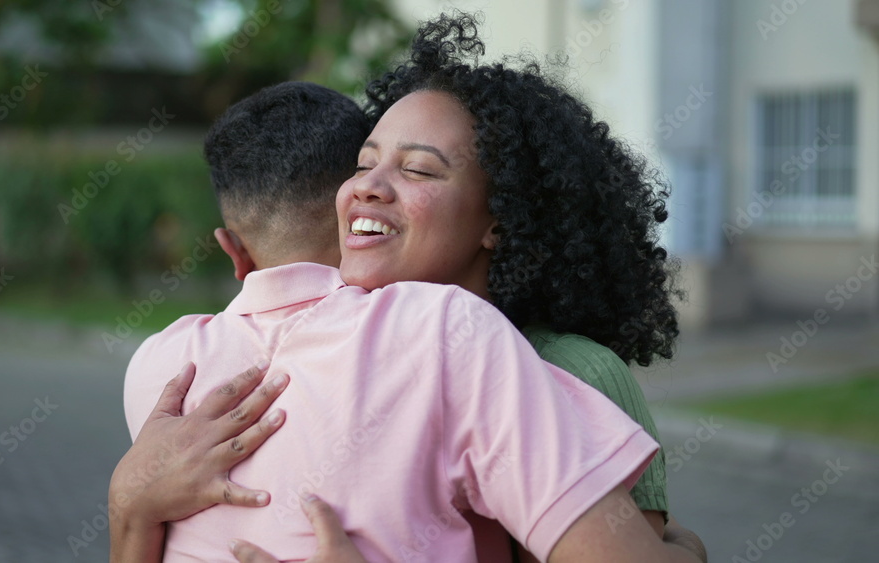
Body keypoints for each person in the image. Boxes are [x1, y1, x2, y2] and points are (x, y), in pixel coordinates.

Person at [112, 13, 706, 563]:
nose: (368, 186)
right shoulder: (306, 348)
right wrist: (131, 501)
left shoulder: (564, 366)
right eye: (363, 164)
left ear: (502, 217)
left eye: (418, 169)